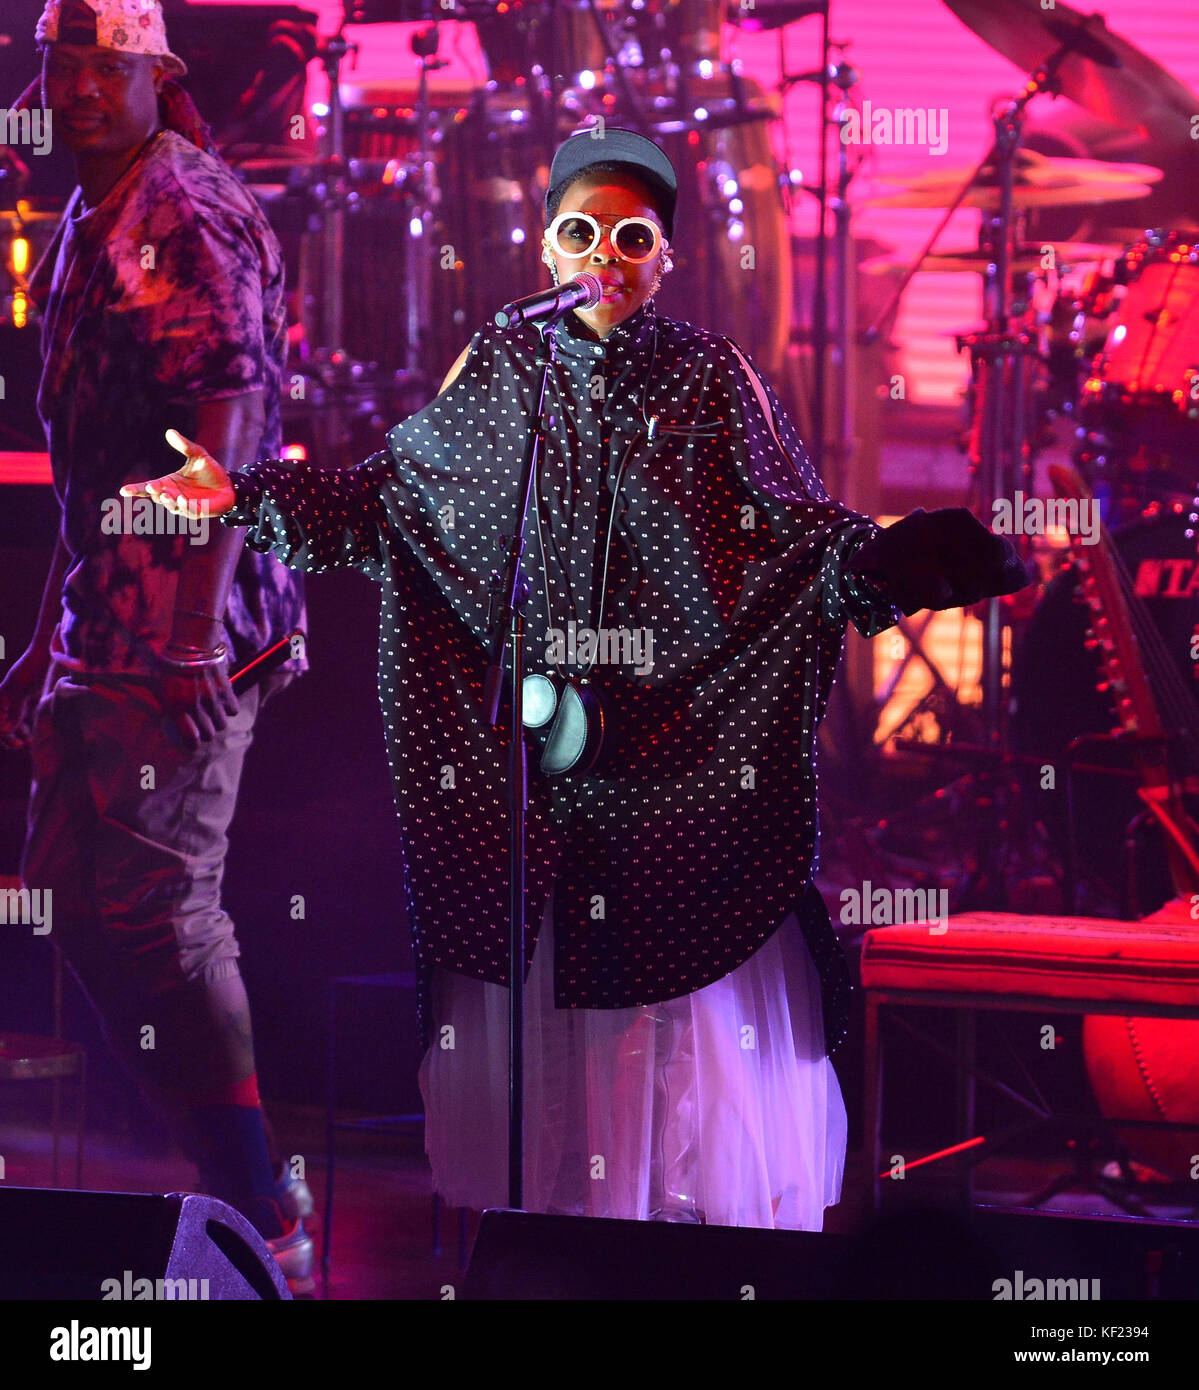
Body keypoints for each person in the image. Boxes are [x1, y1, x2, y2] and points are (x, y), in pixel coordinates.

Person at [125, 128, 1027, 1230]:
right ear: (544, 248)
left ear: (666, 257)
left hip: (668, 780)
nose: (603, 256)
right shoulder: (502, 365)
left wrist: (884, 563)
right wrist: (242, 497)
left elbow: (790, 545)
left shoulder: (707, 376)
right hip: (535, 798)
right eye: (579, 232)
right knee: (552, 1096)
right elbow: (386, 506)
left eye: (631, 235)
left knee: (671, 1079)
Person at [0, 0, 312, 1286]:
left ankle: (263, 1214)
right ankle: (226, 1174)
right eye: (62, 62)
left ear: (157, 76)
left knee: (163, 915)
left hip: (186, 618)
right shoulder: (99, 201)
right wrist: (43, 635)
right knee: (69, 895)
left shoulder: (178, 207)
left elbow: (227, 420)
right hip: (109, 611)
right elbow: (95, 467)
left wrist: (187, 634)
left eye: (107, 64)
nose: (77, 84)